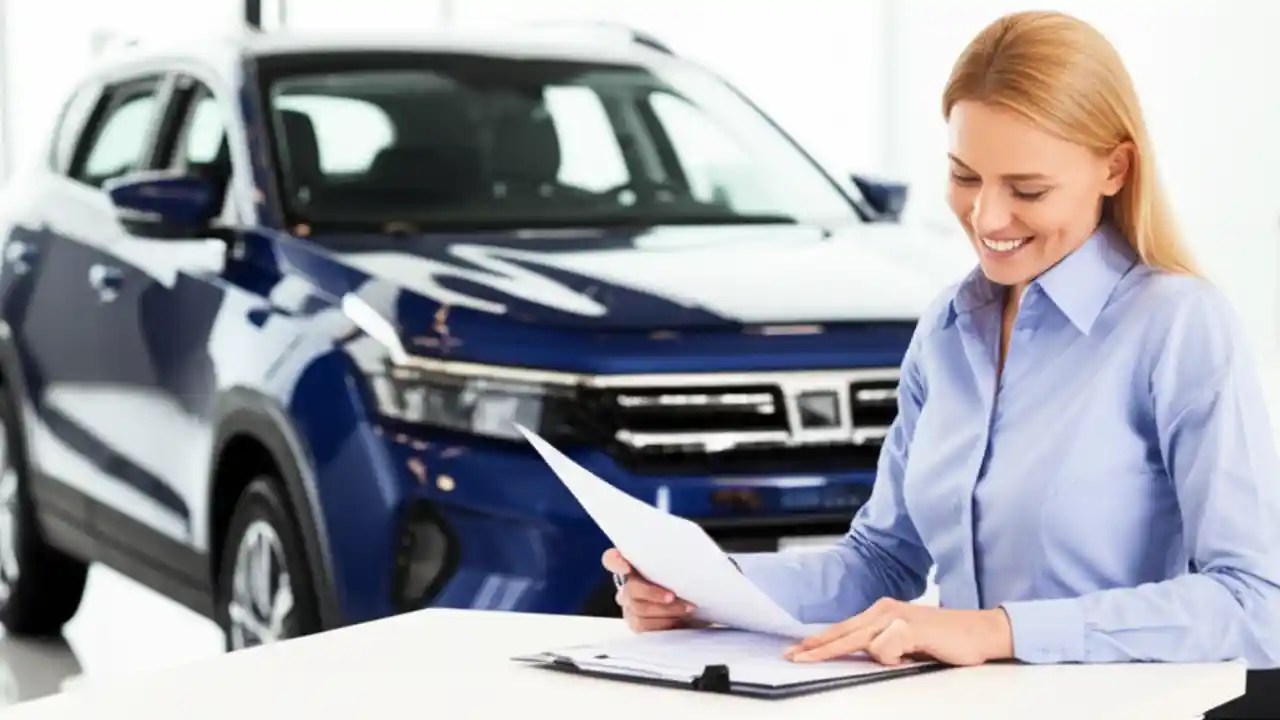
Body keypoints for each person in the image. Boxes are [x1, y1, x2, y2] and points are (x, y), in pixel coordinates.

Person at [602, 9, 1280, 669]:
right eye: (964, 177)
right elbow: (880, 561)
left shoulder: (1177, 326)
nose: (986, 216)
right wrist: (707, 589)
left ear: (1115, 170)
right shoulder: (949, 329)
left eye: (1029, 188)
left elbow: (1258, 604)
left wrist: (999, 632)